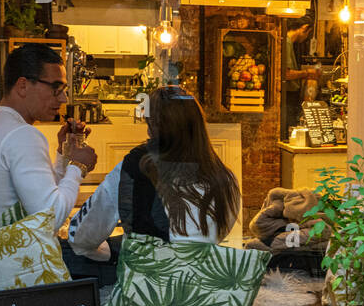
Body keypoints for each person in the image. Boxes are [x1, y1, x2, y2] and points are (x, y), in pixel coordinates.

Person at [69, 85, 241, 260]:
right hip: (201, 282)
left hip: (147, 282)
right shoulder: (225, 178)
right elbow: (218, 233)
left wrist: (111, 253)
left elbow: (81, 239)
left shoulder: (133, 167)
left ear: (152, 126)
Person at [0, 43, 97, 227]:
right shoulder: (22, 134)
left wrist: (64, 154)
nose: (63, 99)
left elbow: (42, 196)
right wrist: (78, 167)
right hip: (10, 254)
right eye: (56, 88)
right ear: (23, 85)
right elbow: (51, 217)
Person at [282, 14, 321, 134]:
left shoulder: (288, 42)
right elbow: (286, 74)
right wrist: (307, 73)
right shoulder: (287, 42)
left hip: (290, 97)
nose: (307, 37)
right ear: (304, 28)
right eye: (308, 33)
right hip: (287, 97)